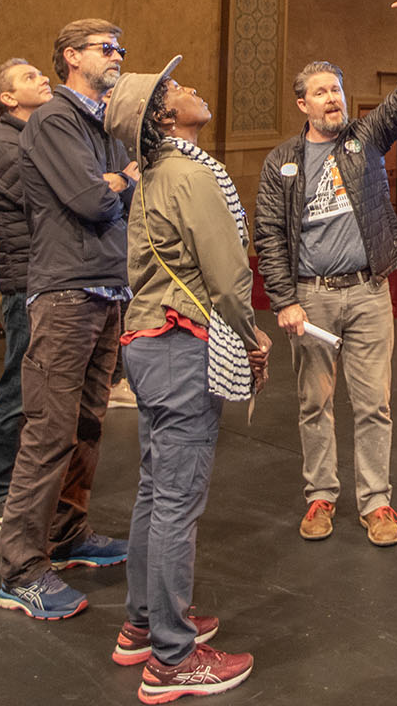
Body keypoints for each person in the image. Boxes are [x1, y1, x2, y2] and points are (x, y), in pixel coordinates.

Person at [107, 58, 269, 702]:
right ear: (162, 118)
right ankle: (173, 660)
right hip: (180, 345)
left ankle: (143, 624)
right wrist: (252, 335)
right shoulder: (187, 174)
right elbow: (228, 275)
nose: (194, 88)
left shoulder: (153, 175)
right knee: (178, 500)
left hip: (150, 344)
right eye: (177, 89)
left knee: (155, 489)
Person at [255, 0, 397, 548]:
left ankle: (377, 504)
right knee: (314, 402)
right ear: (302, 103)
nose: (333, 98)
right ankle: (320, 497)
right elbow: (268, 234)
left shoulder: (366, 138)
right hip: (310, 299)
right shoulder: (280, 161)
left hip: (367, 292)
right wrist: (283, 299)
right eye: (321, 92)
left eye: (338, 89)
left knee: (373, 403)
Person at [0, 18, 136, 620]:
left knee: (87, 422)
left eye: (120, 47)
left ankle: (68, 535)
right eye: (108, 48)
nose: (119, 56)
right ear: (72, 57)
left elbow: (112, 189)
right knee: (49, 430)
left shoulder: (101, 124)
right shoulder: (55, 118)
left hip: (105, 286)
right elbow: (93, 200)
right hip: (66, 293)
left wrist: (115, 180)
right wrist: (121, 180)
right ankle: (21, 569)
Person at [0, 58, 51, 530]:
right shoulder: (3, 146)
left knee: (42, 396)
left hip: (46, 281)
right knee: (18, 394)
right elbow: (52, 199)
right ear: (7, 98)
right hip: (27, 285)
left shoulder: (34, 138)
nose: (42, 78)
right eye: (28, 77)